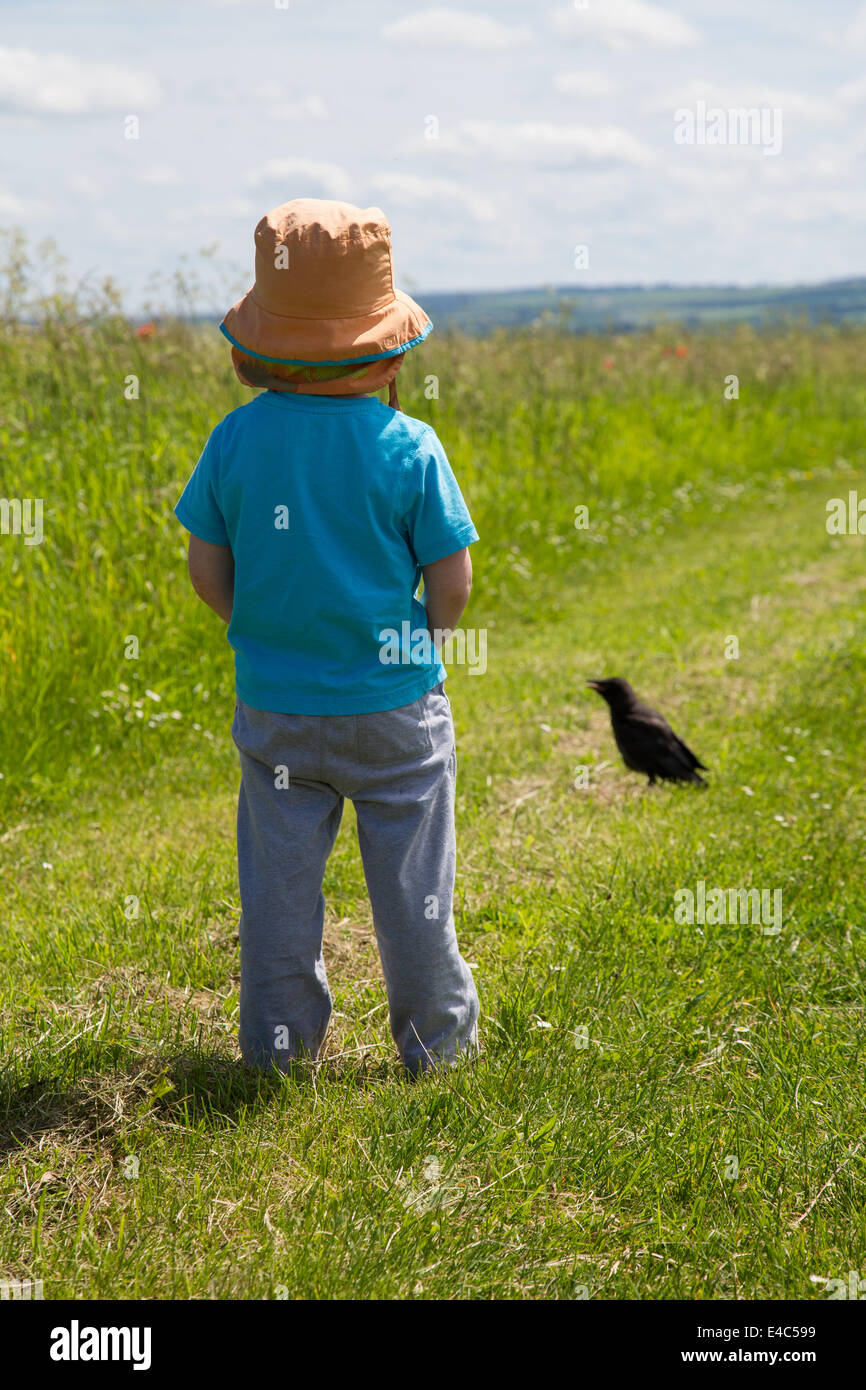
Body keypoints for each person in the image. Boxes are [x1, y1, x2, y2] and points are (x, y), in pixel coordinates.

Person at [174, 198, 480, 1075]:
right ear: (386, 343)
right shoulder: (411, 446)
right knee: (414, 890)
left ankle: (277, 1050)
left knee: (276, 889)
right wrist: (418, 643)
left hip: (276, 710)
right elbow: (451, 586)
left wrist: (256, 627)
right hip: (393, 707)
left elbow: (206, 568)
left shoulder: (235, 440)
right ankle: (436, 1048)